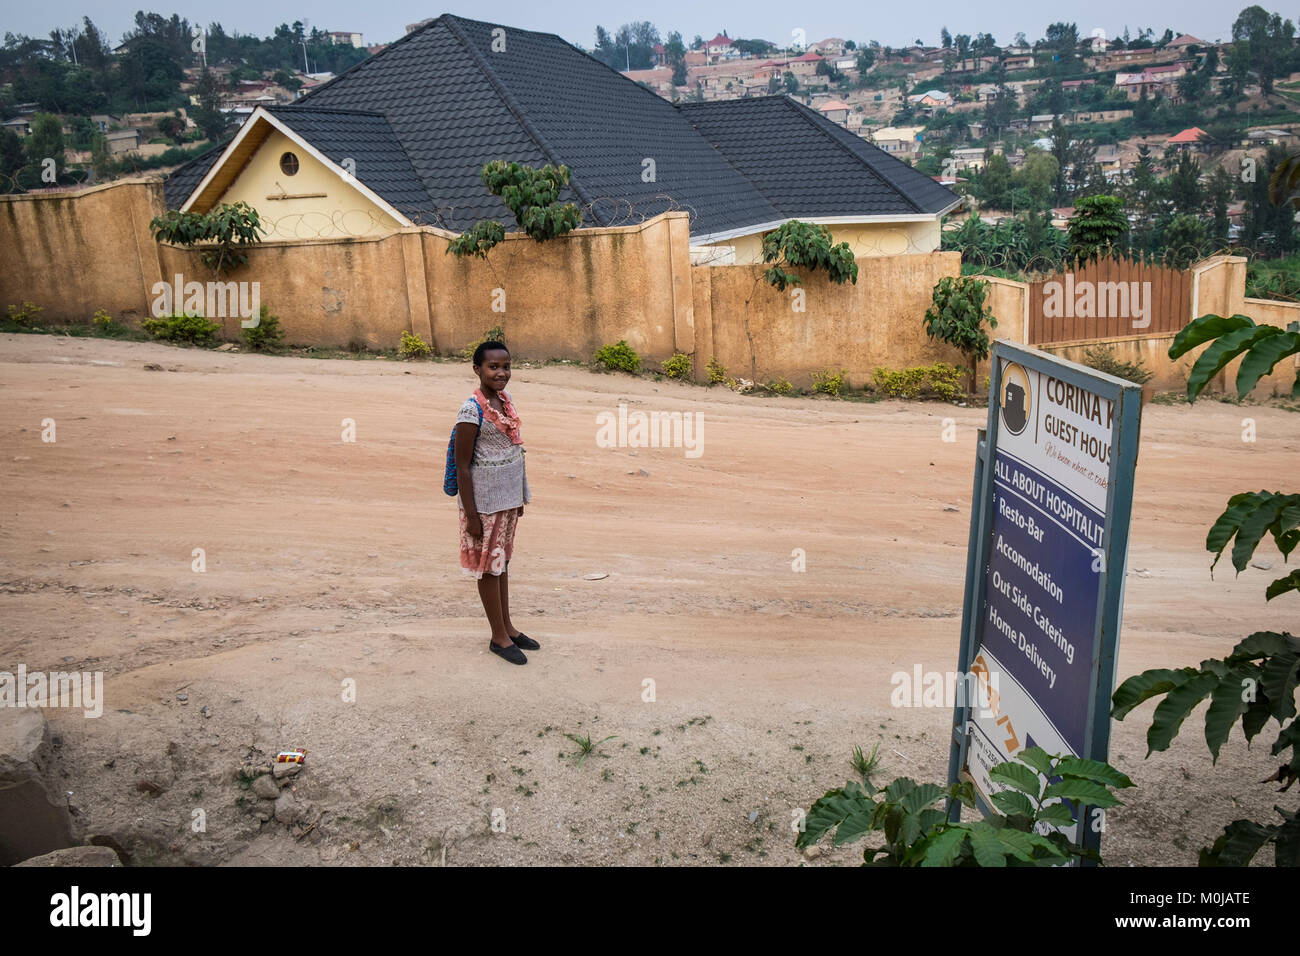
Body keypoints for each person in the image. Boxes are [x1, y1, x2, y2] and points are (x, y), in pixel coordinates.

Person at [454, 341, 538, 665]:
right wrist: (472, 516)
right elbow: (463, 465)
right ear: (477, 369)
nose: (501, 373)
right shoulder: (470, 410)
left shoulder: (505, 402)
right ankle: (497, 637)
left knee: (502, 564)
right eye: (493, 367)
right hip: (484, 506)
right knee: (489, 568)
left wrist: (519, 497)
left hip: (506, 499)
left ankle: (509, 628)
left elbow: (513, 452)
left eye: (506, 366)